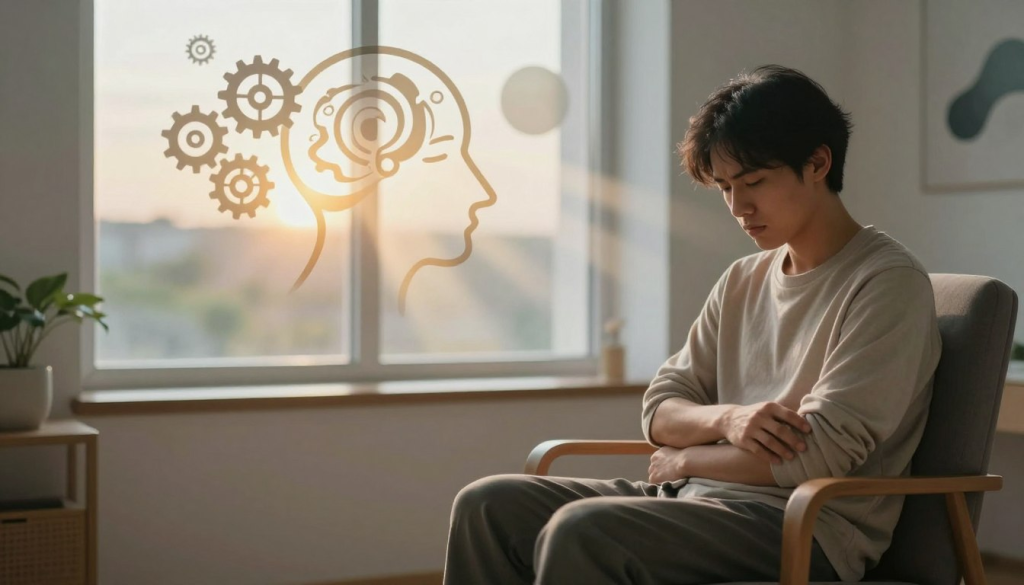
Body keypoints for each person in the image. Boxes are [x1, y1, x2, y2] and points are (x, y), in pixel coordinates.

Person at [442, 64, 942, 585]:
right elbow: (660, 407)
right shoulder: (742, 279)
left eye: (754, 182)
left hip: (800, 524)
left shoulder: (887, 283)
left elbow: (817, 457)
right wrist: (727, 421)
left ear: (817, 163)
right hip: (694, 501)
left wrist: (685, 461)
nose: (738, 207)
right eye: (725, 187)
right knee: (487, 504)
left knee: (584, 531)